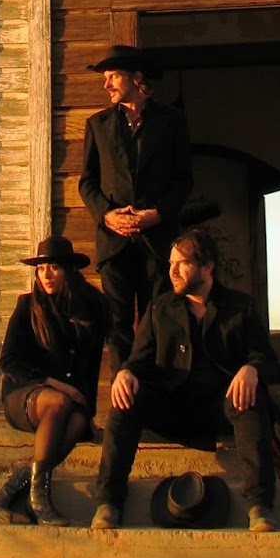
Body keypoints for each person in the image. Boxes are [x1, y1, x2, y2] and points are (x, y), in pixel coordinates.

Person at [90, 227, 279, 534]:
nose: (172, 270)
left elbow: (268, 360)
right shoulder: (160, 308)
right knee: (125, 398)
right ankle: (109, 503)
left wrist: (251, 369)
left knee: (251, 397)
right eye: (170, 263)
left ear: (206, 266)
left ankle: (260, 506)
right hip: (171, 405)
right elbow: (138, 361)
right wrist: (125, 372)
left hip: (219, 407)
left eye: (182, 263)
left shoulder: (240, 307)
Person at [78, 44, 192, 370]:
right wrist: (107, 215)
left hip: (157, 243)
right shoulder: (97, 125)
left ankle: (156, 403)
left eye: (113, 76)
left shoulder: (171, 121)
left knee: (158, 321)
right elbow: (87, 183)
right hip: (114, 245)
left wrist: (158, 214)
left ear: (136, 77)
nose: (106, 84)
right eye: (105, 77)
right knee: (118, 326)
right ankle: (124, 404)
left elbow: (183, 180)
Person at [0, 234, 109, 526]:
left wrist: (88, 408)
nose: (47, 275)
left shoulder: (92, 306)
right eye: (41, 269)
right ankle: (40, 501)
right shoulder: (27, 306)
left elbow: (91, 364)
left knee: (78, 423)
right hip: (26, 395)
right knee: (58, 401)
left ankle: (10, 490)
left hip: (68, 400)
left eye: (53, 267)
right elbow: (8, 362)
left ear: (69, 270)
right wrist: (54, 383)